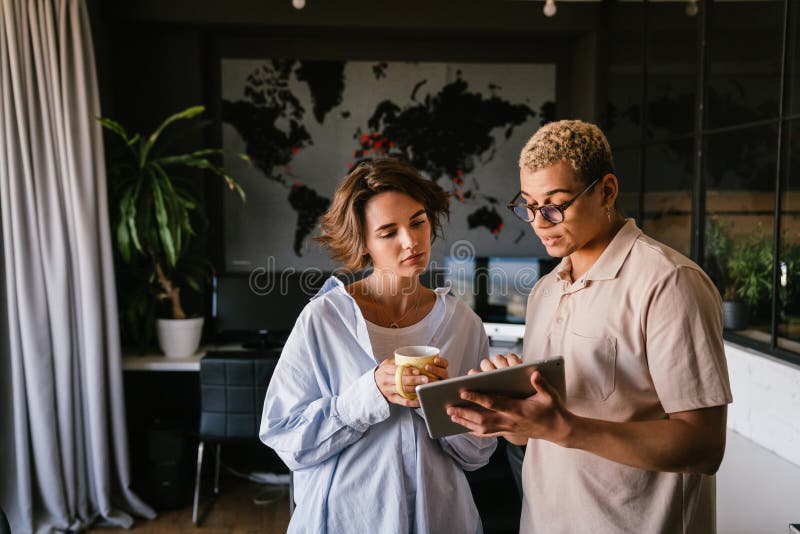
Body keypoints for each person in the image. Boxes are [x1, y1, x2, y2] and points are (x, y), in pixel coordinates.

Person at [447, 120, 733, 534]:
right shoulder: (544, 291)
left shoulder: (669, 282)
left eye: (555, 203)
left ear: (607, 191)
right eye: (527, 205)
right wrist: (511, 415)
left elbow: (705, 447)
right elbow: (539, 436)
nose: (539, 221)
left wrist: (565, 428)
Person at [260, 157, 497, 533]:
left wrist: (436, 403)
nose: (411, 241)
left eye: (418, 222)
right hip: (344, 519)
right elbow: (286, 440)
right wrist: (369, 394)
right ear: (364, 244)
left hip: (439, 519)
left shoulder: (462, 324)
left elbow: (478, 455)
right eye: (388, 232)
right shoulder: (324, 320)